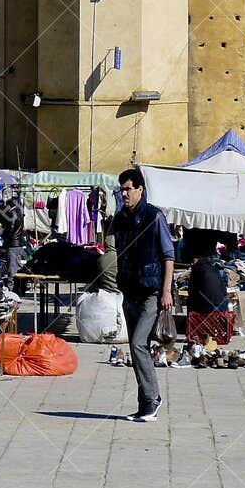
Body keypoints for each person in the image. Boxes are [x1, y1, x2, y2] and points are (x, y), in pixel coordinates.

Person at [110, 167, 175, 423]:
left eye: (128, 189)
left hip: (151, 292)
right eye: (121, 189)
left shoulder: (154, 216)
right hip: (129, 290)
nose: (124, 193)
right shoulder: (121, 218)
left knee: (137, 344)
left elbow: (169, 255)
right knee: (139, 347)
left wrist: (167, 290)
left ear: (140, 190)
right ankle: (144, 403)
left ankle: (153, 399)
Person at [183, 233, 232, 345]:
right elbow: (223, 290)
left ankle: (193, 331)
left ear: (195, 259)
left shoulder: (196, 269)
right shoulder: (214, 269)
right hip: (221, 306)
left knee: (190, 301)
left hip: (206, 308)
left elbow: (192, 291)